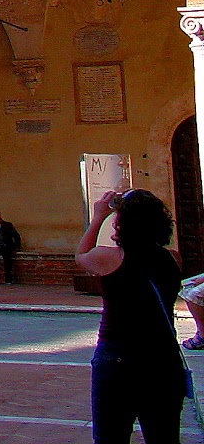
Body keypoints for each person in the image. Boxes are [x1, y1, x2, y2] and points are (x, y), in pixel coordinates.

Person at [77, 188, 188, 444]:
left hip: (118, 358)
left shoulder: (107, 258)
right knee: (164, 437)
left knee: (111, 437)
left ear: (122, 223)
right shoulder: (173, 258)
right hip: (163, 359)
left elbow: (81, 255)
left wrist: (98, 218)